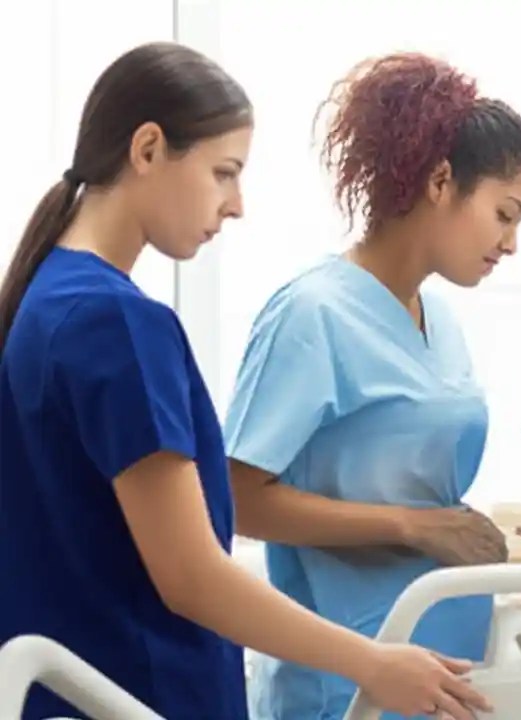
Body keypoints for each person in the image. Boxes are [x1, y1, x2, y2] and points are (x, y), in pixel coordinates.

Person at [0, 42, 489, 720]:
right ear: (148, 149)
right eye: (223, 172)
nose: (236, 205)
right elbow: (192, 577)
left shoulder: (43, 300)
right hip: (141, 689)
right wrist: (371, 663)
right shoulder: (116, 324)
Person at [222, 52, 521, 719]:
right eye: (505, 214)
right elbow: (235, 501)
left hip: (444, 669)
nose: (511, 243)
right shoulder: (312, 315)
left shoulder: (441, 319)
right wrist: (414, 528)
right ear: (442, 182)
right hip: (342, 681)